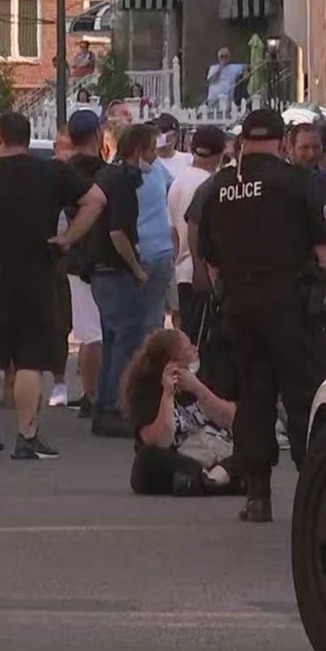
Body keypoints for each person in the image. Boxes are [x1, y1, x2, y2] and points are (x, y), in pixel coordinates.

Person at [196, 108, 326, 522]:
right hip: (292, 307)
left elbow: (211, 261)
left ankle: (257, 495)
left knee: (253, 398)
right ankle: (319, 499)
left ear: (242, 140)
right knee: (305, 400)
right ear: (282, 142)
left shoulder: (220, 187)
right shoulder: (300, 183)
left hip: (241, 307)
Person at [0, 112, 107, 459]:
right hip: (36, 276)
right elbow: (96, 200)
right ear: (28, 139)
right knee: (30, 359)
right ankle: (27, 434)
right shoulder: (52, 172)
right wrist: (67, 238)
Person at [87, 124, 157, 438]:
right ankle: (115, 406)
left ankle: (104, 405)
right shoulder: (124, 183)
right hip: (115, 270)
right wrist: (137, 268)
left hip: (101, 269)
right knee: (128, 337)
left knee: (114, 338)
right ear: (137, 150)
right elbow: (118, 232)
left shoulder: (108, 176)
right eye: (151, 150)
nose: (153, 158)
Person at [124, 329, 241, 497]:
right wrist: (168, 394)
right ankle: (212, 480)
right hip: (181, 459)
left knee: (250, 450)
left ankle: (208, 481)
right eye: (188, 348)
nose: (195, 350)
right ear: (171, 361)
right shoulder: (146, 391)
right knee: (146, 459)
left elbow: (234, 421)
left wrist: (198, 388)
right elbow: (159, 441)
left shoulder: (203, 377)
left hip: (217, 452)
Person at [61, 111, 108, 418]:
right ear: (97, 136)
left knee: (88, 330)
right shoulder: (104, 173)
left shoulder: (63, 173)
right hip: (98, 256)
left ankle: (90, 391)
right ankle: (94, 394)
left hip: (75, 258)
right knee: (96, 333)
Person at [166, 126, 225, 341]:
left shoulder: (178, 183)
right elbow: (196, 226)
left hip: (182, 271)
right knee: (202, 344)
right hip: (203, 274)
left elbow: (173, 232)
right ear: (220, 154)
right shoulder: (209, 185)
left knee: (188, 340)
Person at [134, 124, 175, 332]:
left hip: (148, 252)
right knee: (152, 318)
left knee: (143, 319)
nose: (155, 154)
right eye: (151, 149)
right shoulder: (153, 170)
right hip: (153, 251)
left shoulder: (152, 167)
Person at [152, 113, 192, 179]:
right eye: (156, 131)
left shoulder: (188, 160)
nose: (159, 135)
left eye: (163, 131)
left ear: (175, 135)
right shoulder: (148, 161)